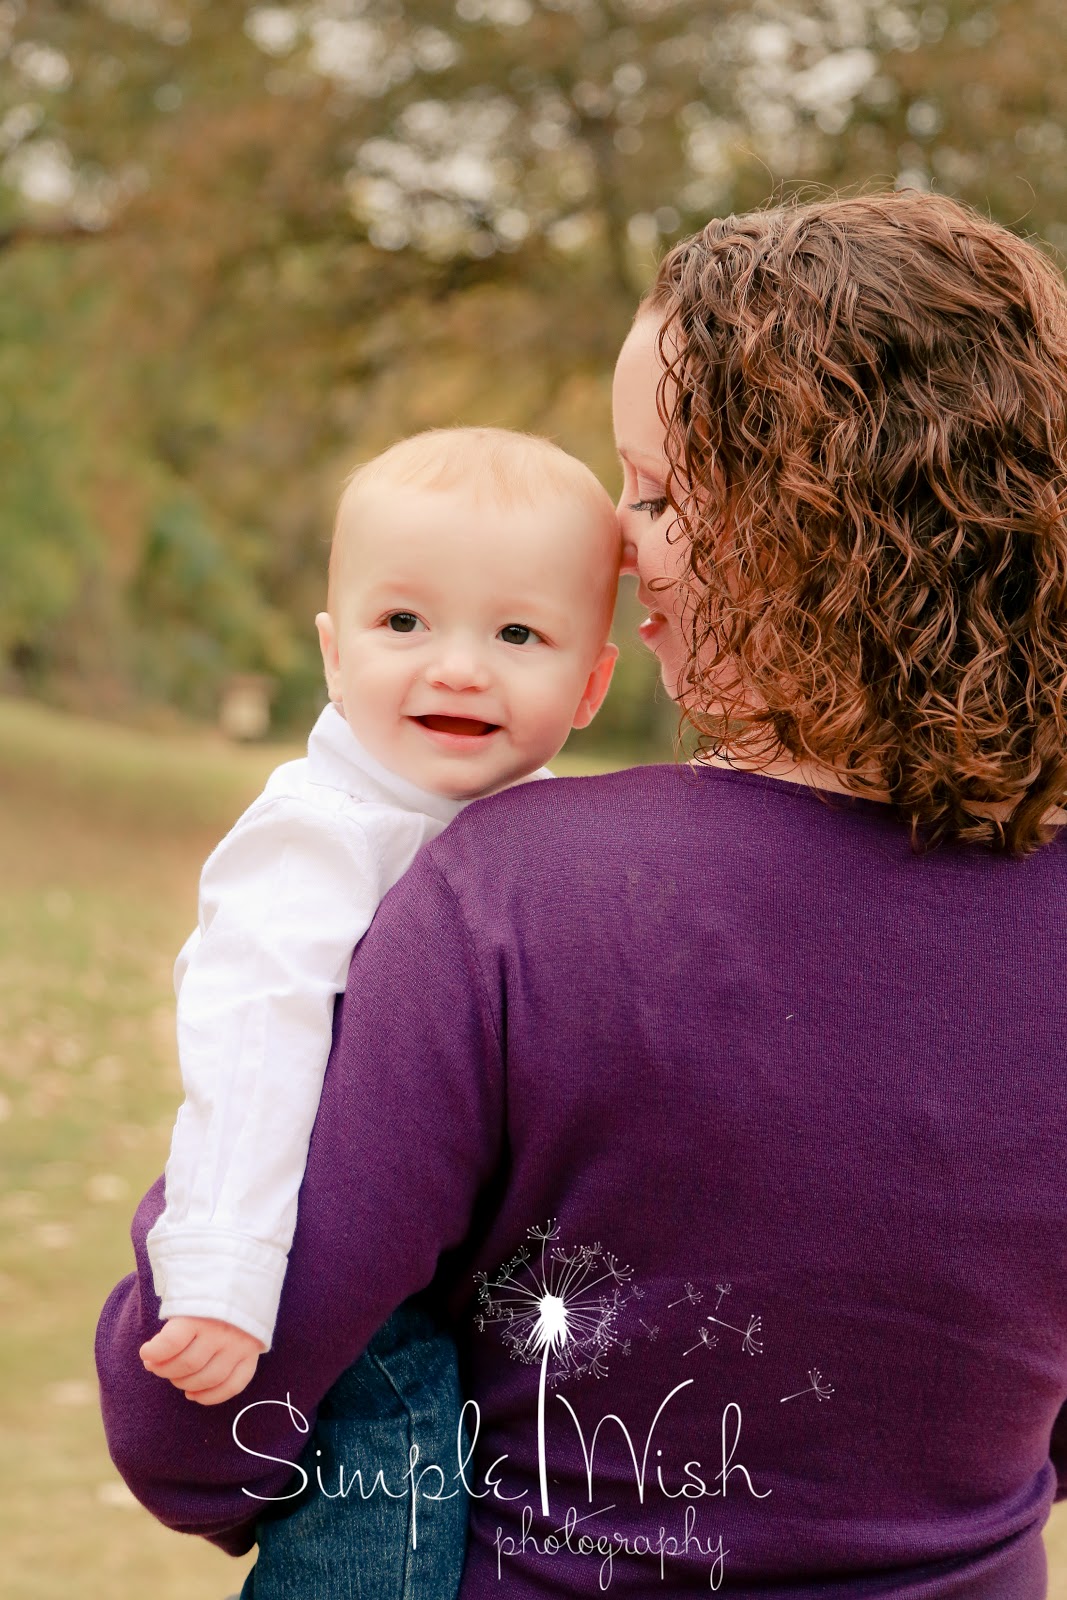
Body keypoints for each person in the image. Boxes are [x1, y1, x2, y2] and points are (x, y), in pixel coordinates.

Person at [98, 191, 1067, 1598]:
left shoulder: (510, 898)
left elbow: (193, 1427)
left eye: (664, 495)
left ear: (809, 535)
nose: (617, 547)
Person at [134, 425, 619, 1595]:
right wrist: (225, 1272)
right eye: (403, 623)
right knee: (385, 1486)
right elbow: (253, 1042)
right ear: (333, 650)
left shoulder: (550, 839)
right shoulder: (324, 835)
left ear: (593, 681)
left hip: (467, 1262)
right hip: (323, 1265)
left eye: (516, 633)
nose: (456, 666)